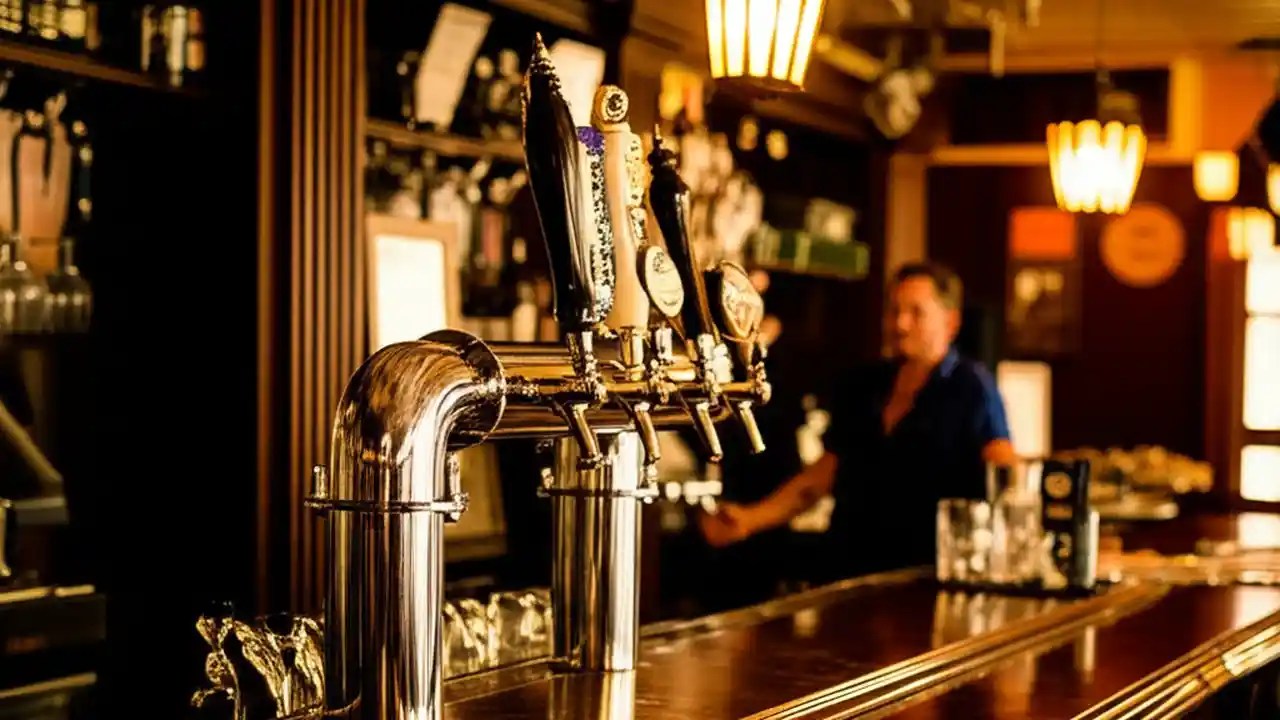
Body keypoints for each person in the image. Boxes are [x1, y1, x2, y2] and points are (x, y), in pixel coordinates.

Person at [699, 261, 1016, 579]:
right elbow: (819, 480)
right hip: (851, 573)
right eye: (894, 311)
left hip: (926, 580)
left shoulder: (972, 387)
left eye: (916, 312)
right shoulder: (866, 384)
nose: (900, 323)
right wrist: (748, 520)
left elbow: (1005, 478)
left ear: (951, 322)